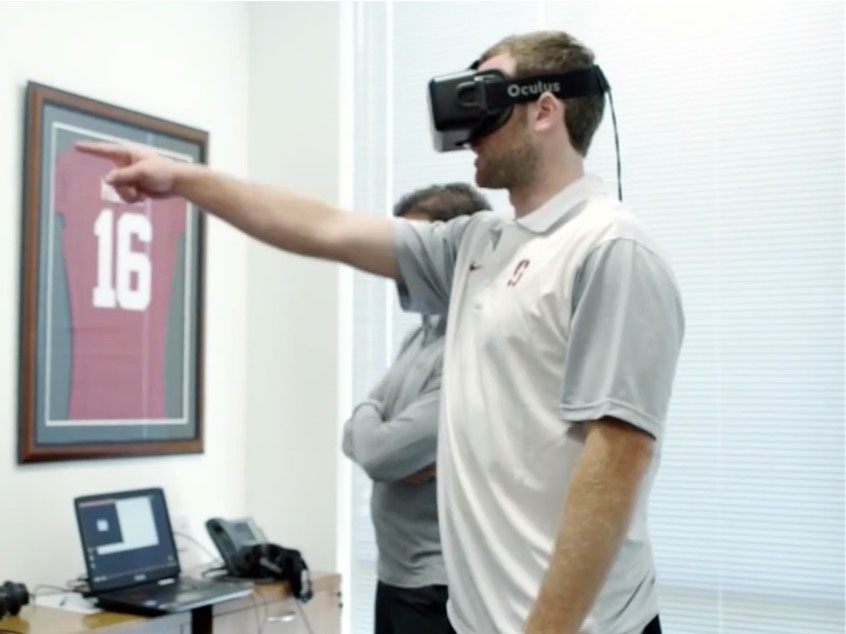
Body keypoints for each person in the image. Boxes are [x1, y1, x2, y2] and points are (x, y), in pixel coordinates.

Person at [79, 29, 684, 634]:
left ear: (545, 110)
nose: (467, 130)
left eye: (483, 101)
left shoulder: (609, 248)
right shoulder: (477, 245)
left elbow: (618, 461)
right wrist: (183, 181)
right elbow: (326, 228)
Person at [342, 184, 490, 634]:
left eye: (413, 248)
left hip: (439, 589)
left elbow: (379, 456)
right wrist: (375, 421)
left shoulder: (474, 345)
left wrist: (379, 432)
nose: (397, 265)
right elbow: (357, 435)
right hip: (397, 577)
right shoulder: (423, 335)